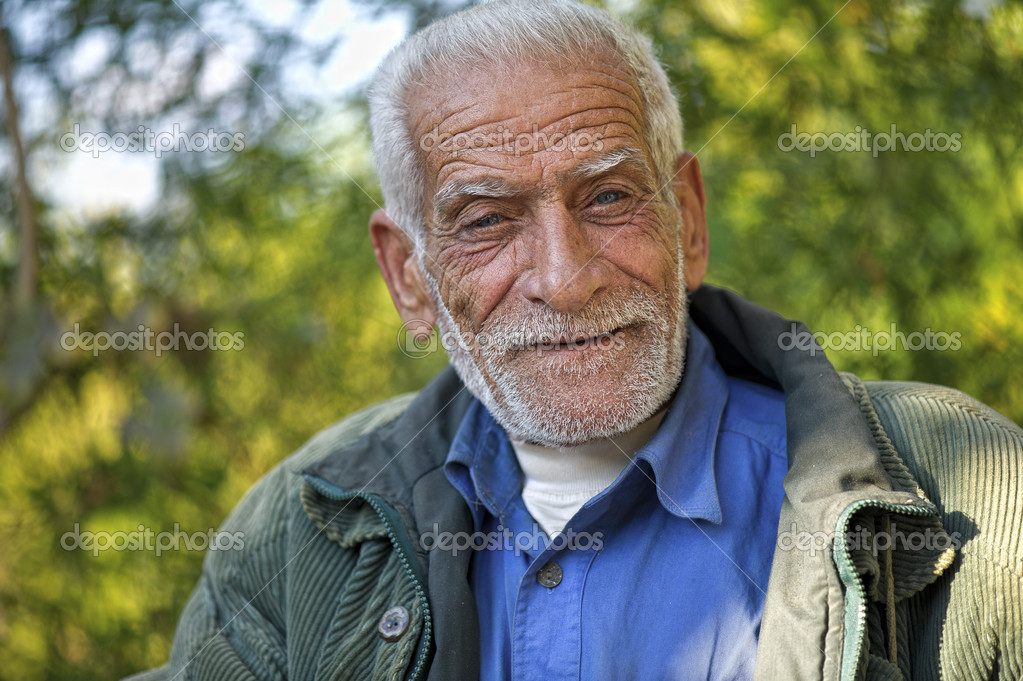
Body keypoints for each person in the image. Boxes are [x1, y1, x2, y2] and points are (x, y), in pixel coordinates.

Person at [125, 1, 1022, 679]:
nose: (564, 278)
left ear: (687, 218)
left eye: (608, 198)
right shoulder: (303, 529)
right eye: (486, 220)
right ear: (409, 276)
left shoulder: (965, 492)